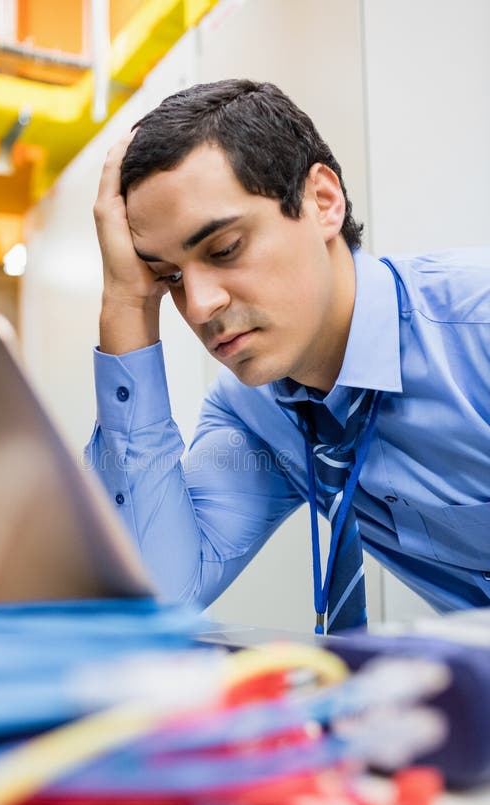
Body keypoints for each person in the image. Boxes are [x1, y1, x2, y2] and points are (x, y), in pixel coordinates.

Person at [87, 78, 490, 633]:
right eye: (170, 277)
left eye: (225, 249)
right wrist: (126, 300)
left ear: (322, 201)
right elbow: (159, 595)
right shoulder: (253, 412)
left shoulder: (478, 332)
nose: (201, 306)